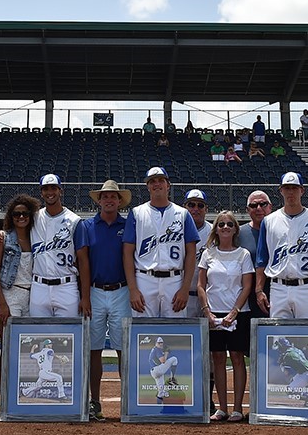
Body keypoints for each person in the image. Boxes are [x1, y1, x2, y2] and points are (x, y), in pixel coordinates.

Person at [81, 180, 131, 421]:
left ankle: (128, 401)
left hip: (122, 290)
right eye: (105, 196)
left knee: (124, 350)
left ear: (119, 200)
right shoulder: (87, 225)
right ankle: (94, 401)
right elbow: (84, 263)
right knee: (94, 349)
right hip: (95, 291)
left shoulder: (128, 224)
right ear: (98, 200)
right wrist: (85, 296)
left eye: (113, 196)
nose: (109, 200)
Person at [197, 211, 253, 422]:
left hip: (238, 312)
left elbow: (246, 286)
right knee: (218, 358)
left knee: (237, 358)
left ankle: (237, 408)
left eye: (230, 224)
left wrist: (234, 311)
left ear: (235, 229)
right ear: (216, 229)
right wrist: (207, 311)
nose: (226, 227)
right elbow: (201, 285)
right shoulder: (208, 254)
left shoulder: (243, 254)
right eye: (221, 224)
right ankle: (222, 408)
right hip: (214, 313)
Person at [255, 171, 308, 318]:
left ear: (302, 190)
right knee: (279, 336)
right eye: (287, 188)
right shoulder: (269, 221)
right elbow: (261, 261)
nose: (290, 192)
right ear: (281, 190)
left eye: (294, 188)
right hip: (278, 287)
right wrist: (259, 290)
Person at [123, 167, 200, 318]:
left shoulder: (183, 214)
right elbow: (127, 253)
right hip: (145, 278)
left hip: (174, 279)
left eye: (160, 180)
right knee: (143, 332)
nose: (157, 184)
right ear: (147, 186)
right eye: (152, 181)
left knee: (174, 331)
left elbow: (191, 253)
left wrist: (185, 288)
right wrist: (133, 289)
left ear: (168, 185)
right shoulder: (137, 213)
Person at [30, 174, 90, 318]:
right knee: (39, 336)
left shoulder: (74, 221)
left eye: (53, 188)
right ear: (41, 193)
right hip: (39, 286)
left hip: (66, 286)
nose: (50, 192)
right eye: (45, 189)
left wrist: (86, 297)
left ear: (60, 191)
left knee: (69, 335)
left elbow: (83, 261)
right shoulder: (34, 218)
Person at [0, 195, 39, 328]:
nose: (21, 217)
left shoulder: (37, 238)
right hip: (10, 294)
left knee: (28, 344)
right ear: (11, 217)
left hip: (33, 296)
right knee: (8, 343)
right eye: (16, 214)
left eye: (25, 213)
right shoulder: (2, 238)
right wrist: (3, 304)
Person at [239, 191, 272, 321]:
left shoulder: (281, 230)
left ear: (270, 206)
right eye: (254, 206)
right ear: (247, 210)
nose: (259, 209)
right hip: (246, 293)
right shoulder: (239, 233)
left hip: (276, 290)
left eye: (263, 204)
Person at [184, 189, 213, 317]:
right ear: (184, 207)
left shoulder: (214, 231)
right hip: (184, 294)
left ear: (206, 209)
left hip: (208, 297)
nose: (196, 208)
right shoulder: (176, 230)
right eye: (191, 205)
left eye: (200, 205)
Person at [148, 337, 179, 402]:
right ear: (156, 343)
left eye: (161, 342)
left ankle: (158, 406)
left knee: (160, 392)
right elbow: (163, 361)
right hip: (157, 370)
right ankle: (172, 378)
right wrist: (166, 352)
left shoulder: (154, 349)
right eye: (159, 343)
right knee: (174, 359)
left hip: (154, 371)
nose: (160, 344)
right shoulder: (157, 349)